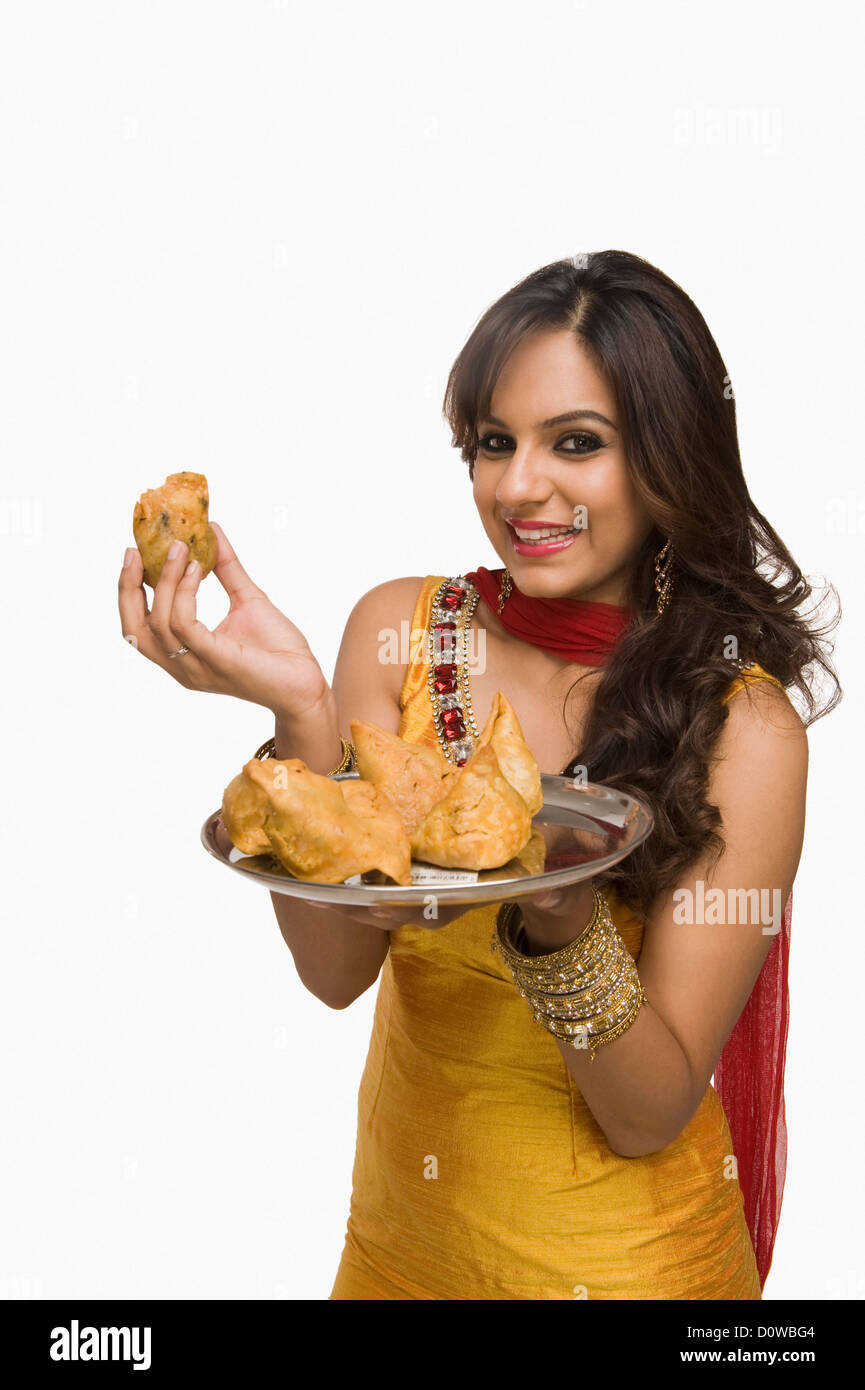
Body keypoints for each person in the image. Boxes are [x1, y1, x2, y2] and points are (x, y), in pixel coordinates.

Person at [118, 251, 839, 1300]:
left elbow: (647, 1113)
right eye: (493, 442)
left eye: (576, 444)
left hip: (626, 1269)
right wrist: (301, 716)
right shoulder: (402, 633)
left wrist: (558, 912)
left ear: (670, 459)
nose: (515, 486)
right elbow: (333, 974)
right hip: (399, 1255)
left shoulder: (744, 722)